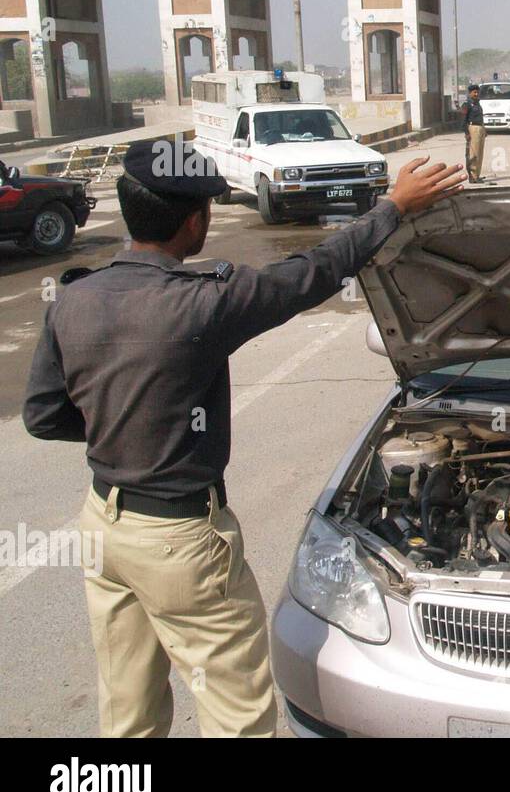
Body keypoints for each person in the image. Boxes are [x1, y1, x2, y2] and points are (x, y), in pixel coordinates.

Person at [22, 140, 465, 737]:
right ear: (194, 221)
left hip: (104, 528)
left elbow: (45, 416)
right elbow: (316, 271)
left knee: (127, 707)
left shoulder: (73, 299)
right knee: (239, 713)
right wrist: (391, 207)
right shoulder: (203, 305)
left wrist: (126, 426)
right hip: (180, 541)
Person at [463, 83, 486, 183]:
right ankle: (472, 176)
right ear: (469, 93)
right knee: (473, 153)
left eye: (477, 92)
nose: (476, 94)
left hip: (480, 128)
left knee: (480, 153)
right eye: (474, 92)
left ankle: (477, 175)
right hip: (472, 128)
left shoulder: (478, 104)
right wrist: (466, 133)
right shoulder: (467, 104)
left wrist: (484, 130)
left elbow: (481, 118)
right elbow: (463, 120)